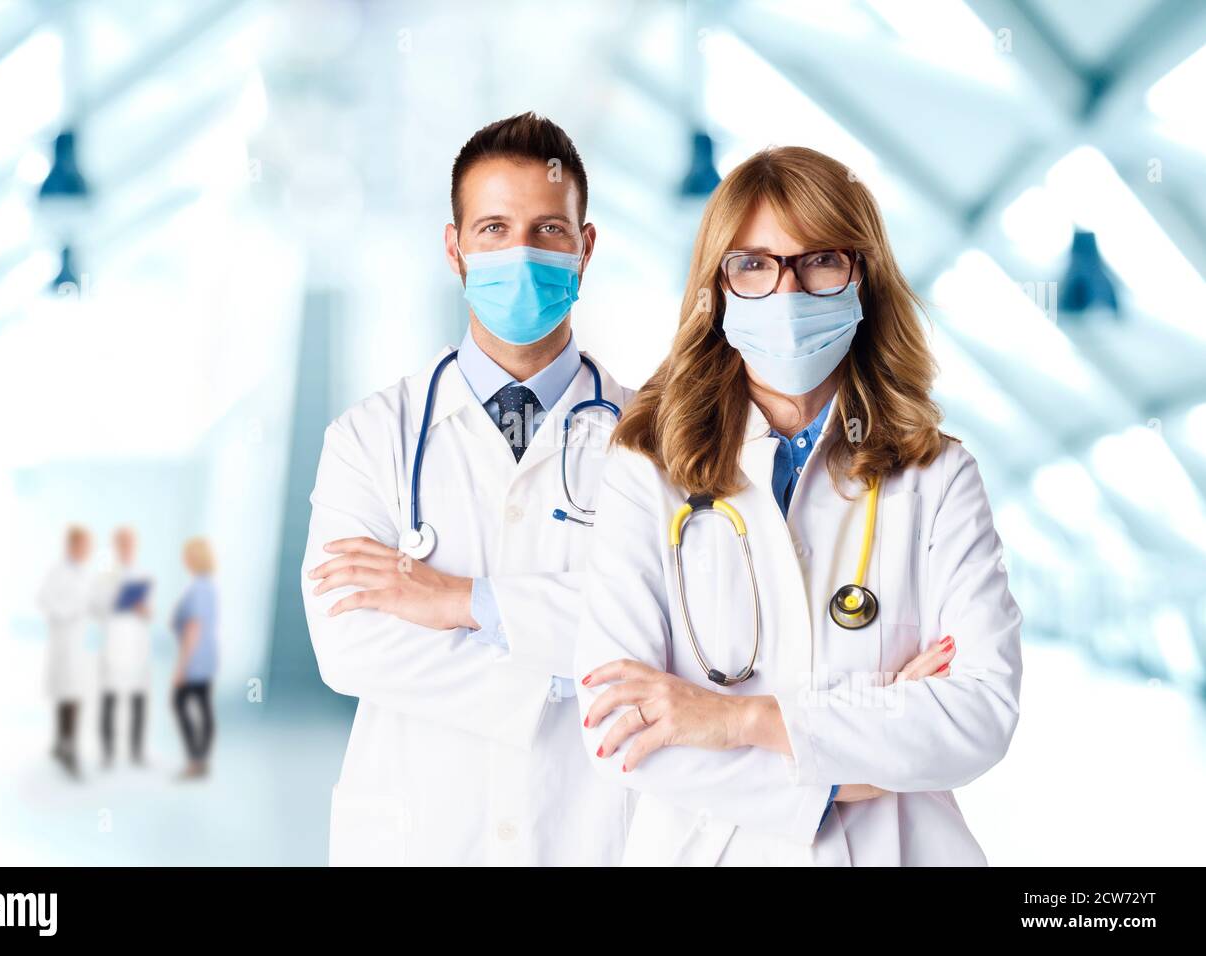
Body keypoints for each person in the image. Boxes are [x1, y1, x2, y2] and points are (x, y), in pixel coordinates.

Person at [575, 146, 1023, 866]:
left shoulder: (938, 476)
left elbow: (978, 716)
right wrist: (859, 767)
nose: (787, 293)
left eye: (819, 261)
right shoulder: (644, 471)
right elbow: (617, 730)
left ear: (862, 279)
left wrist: (739, 720)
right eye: (752, 264)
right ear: (715, 291)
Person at [301, 113, 633, 865]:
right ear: (454, 249)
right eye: (493, 228)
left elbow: (666, 625)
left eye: (548, 230)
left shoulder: (658, 441)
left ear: (584, 249)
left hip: (593, 835)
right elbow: (348, 643)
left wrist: (461, 602)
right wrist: (560, 673)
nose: (521, 254)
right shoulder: (369, 438)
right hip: (421, 835)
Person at [91, 527, 152, 768]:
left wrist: (142, 610)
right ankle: (107, 752)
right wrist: (115, 602)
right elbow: (96, 608)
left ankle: (137, 751)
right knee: (110, 697)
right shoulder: (106, 575)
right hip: (114, 642)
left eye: (130, 544)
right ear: (115, 546)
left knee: (138, 698)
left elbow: (149, 612)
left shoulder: (142, 574)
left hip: (136, 644)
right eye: (122, 544)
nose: (127, 548)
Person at [37, 525, 95, 778]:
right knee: (69, 695)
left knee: (69, 693)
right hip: (64, 641)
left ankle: (61, 744)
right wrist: (67, 613)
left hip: (76, 642)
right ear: (70, 546)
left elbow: (87, 602)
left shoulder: (82, 573)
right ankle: (67, 749)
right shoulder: (58, 572)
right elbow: (44, 599)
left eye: (88, 547)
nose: (86, 551)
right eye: (82, 546)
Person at [172, 537, 218, 780]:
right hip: (208, 655)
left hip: (195, 657)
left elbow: (193, 627)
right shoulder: (209, 586)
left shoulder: (197, 588)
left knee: (180, 703)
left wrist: (181, 666)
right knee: (203, 705)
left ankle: (195, 760)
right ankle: (201, 759)